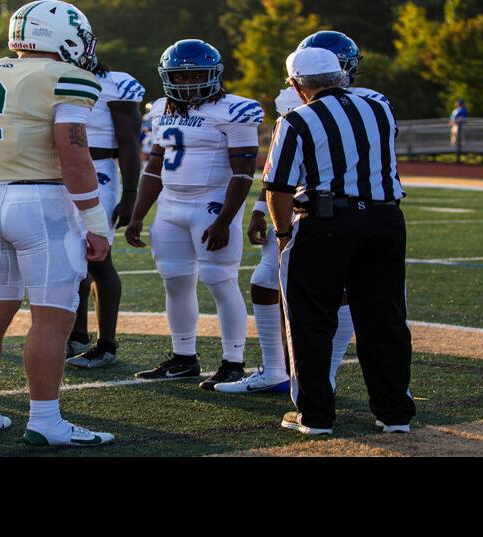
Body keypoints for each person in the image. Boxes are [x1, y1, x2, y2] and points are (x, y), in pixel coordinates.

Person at [0, 0, 114, 446]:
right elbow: (75, 158)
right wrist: (95, 221)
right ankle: (45, 421)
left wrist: (0, 166)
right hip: (41, 203)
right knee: (52, 319)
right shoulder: (69, 78)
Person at [265, 47, 413, 435]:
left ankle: (315, 416)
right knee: (385, 319)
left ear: (297, 86)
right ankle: (394, 413)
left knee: (310, 321)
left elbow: (277, 187)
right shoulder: (380, 109)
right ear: (342, 77)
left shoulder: (296, 120)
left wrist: (283, 234)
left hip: (326, 223)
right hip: (385, 220)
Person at [217, 30, 372, 395]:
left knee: (345, 291)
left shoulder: (369, 101)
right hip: (297, 205)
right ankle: (276, 370)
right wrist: (261, 206)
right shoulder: (293, 98)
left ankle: (326, 377)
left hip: (343, 208)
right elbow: (279, 162)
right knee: (265, 282)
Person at [124, 39, 263, 391]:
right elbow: (154, 165)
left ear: (214, 75)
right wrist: (139, 214)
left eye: (196, 75)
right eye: (180, 77)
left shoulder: (235, 109)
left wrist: (225, 220)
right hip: (171, 204)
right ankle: (184, 357)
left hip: (211, 204)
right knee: (175, 282)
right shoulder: (160, 109)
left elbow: (243, 172)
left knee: (220, 281)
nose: (187, 83)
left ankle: (233, 362)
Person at [65, 53, 144, 369]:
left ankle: (106, 343)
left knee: (97, 260)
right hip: (60, 172)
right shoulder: (51, 76)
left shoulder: (115, 84)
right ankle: (77, 334)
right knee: (70, 260)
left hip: (99, 171)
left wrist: (130, 193)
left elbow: (128, 143)